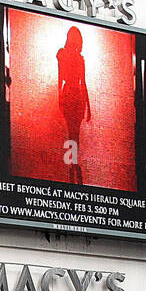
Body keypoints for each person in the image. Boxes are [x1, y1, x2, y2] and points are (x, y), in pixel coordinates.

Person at [57, 25, 91, 185]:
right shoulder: (70, 56)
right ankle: (72, 160)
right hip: (75, 94)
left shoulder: (67, 56)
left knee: (73, 130)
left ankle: (72, 159)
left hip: (73, 93)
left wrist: (88, 106)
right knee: (73, 131)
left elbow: (81, 81)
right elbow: (81, 82)